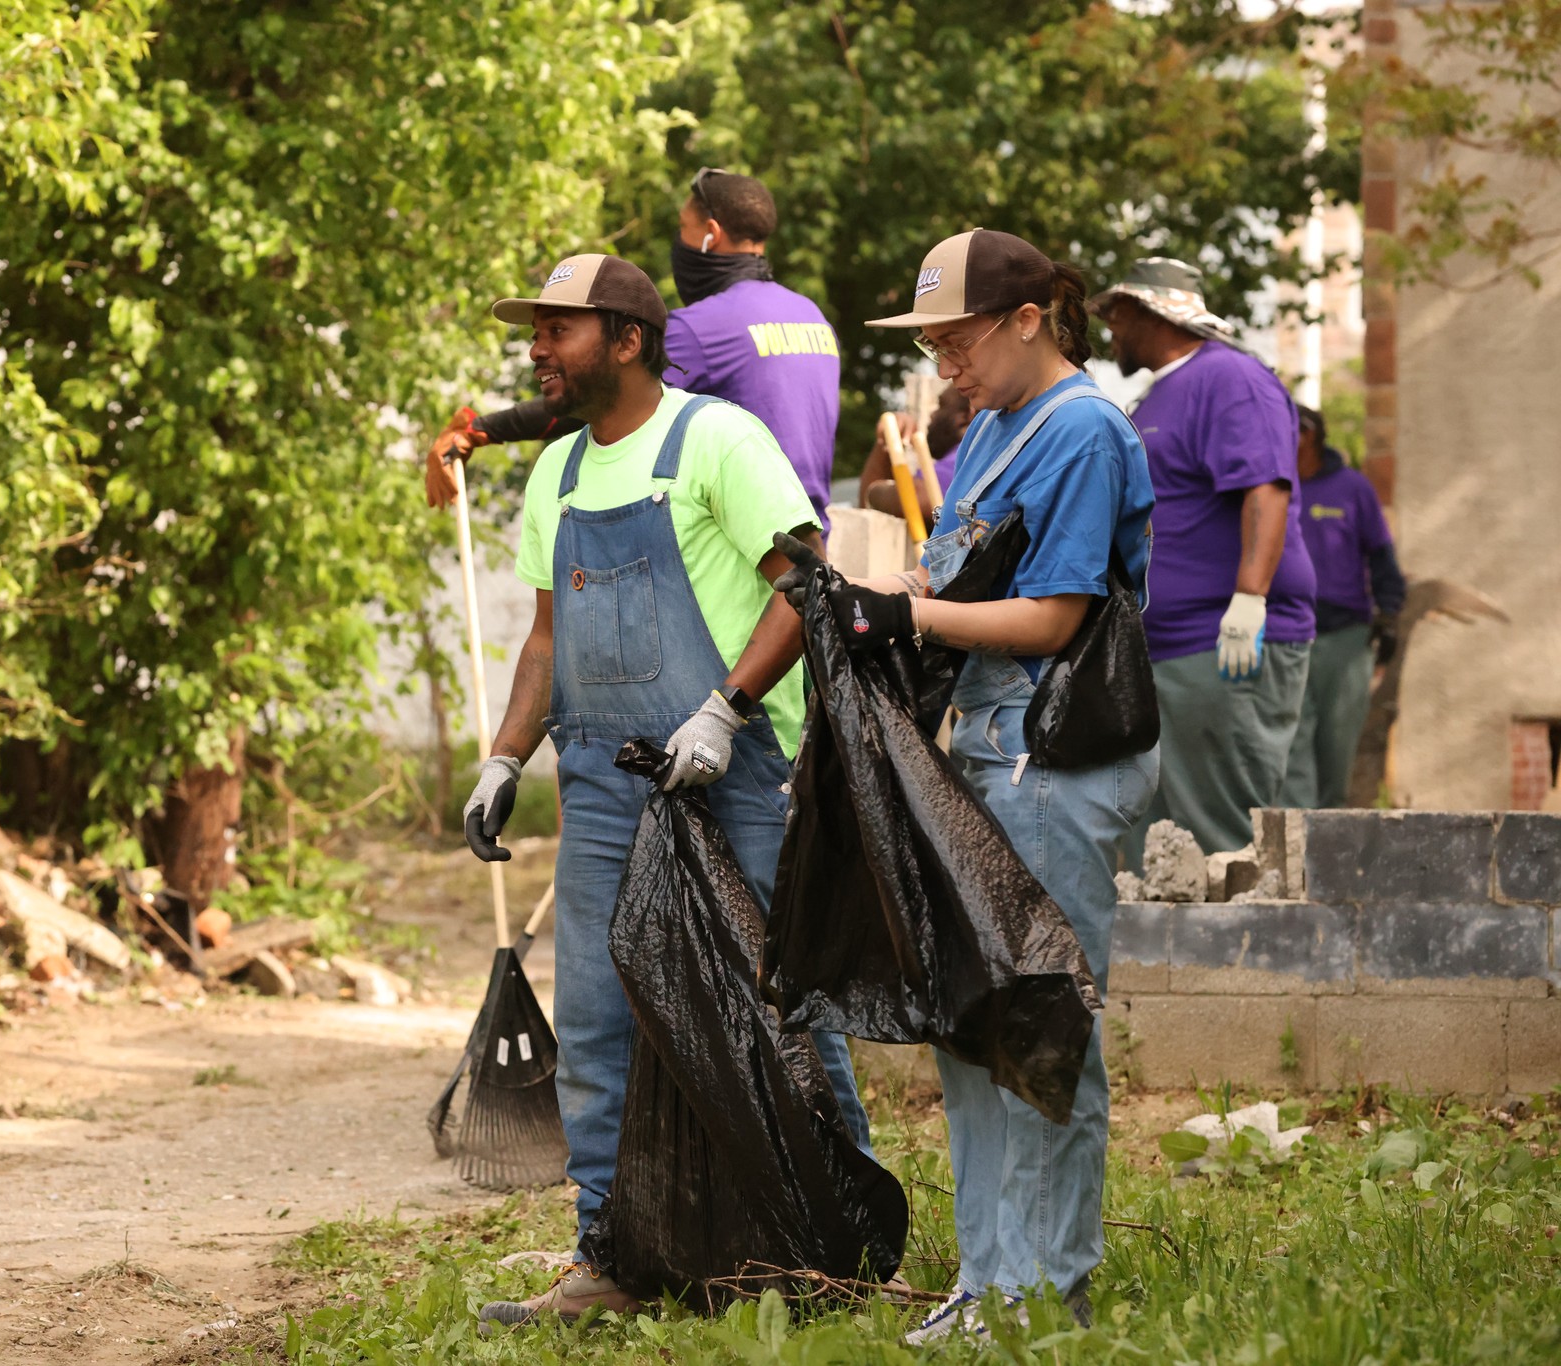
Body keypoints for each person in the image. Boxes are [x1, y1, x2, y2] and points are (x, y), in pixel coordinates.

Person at [458, 251, 870, 1329]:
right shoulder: (556, 472)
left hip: (733, 770)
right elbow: (546, 639)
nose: (536, 351)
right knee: (600, 1017)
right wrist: (505, 758)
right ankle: (610, 1252)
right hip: (603, 781)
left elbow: (805, 583)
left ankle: (840, 1241)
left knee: (777, 1001)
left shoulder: (716, 441)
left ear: (628, 339)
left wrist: (724, 711)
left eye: (557, 330)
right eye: (535, 332)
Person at [780, 228, 1158, 1341]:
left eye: (957, 341)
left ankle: (1045, 1294)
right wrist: (874, 592)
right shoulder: (993, 423)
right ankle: (987, 1281)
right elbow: (953, 571)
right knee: (971, 1027)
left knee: (1037, 1027)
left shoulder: (1083, 431)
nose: (945, 367)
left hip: (1055, 755)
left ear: (1028, 320)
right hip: (984, 749)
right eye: (933, 346)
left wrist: (905, 614)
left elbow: (1053, 619)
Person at [424, 170, 844, 529]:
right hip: (810, 548)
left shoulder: (704, 328)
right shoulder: (812, 317)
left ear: (711, 235)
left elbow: (598, 391)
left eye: (683, 228)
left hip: (747, 553)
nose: (678, 241)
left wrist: (480, 429)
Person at [1091, 258, 1316, 858]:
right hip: (1168, 651)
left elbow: (1265, 489)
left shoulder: (1228, 377)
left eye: (1116, 316)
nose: (1110, 331)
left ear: (1148, 312)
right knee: (1166, 852)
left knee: (1218, 842)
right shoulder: (1162, 393)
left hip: (1222, 645)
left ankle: (1238, 929)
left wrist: (1248, 602)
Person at [1281, 405, 1406, 808]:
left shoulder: (1353, 488)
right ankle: (1297, 828)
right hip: (1285, 634)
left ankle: (1328, 826)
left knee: (1337, 746)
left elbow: (1381, 556)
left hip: (1345, 638)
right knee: (1291, 743)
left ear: (1309, 436)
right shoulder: (1273, 486)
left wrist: (1388, 616)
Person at [858, 383, 971, 516]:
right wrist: (888, 440)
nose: (932, 414)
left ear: (967, 415)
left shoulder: (968, 454)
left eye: (942, 405)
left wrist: (872, 491)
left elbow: (918, 497)